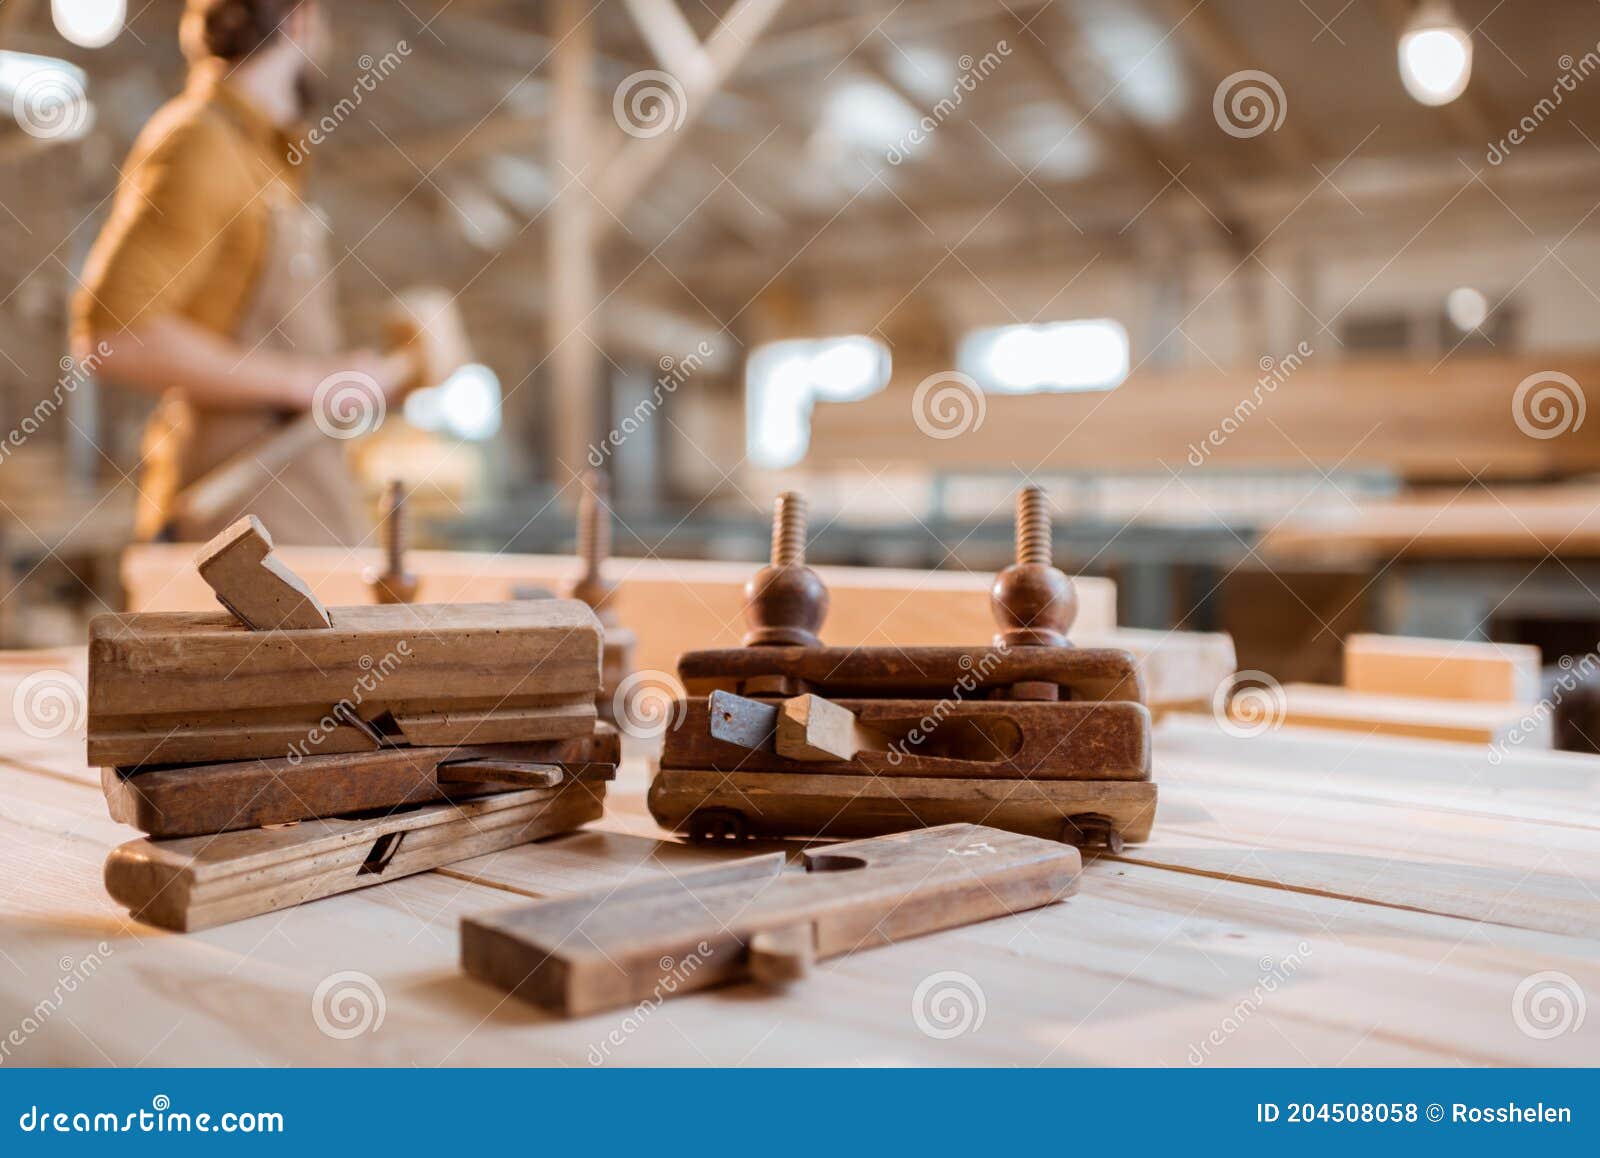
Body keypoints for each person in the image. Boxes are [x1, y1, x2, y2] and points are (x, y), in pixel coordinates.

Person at [72, 0, 414, 544]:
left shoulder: (264, 156)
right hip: (234, 514)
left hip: (290, 500)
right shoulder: (197, 142)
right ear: (300, 22)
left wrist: (340, 380)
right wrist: (310, 383)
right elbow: (113, 336)